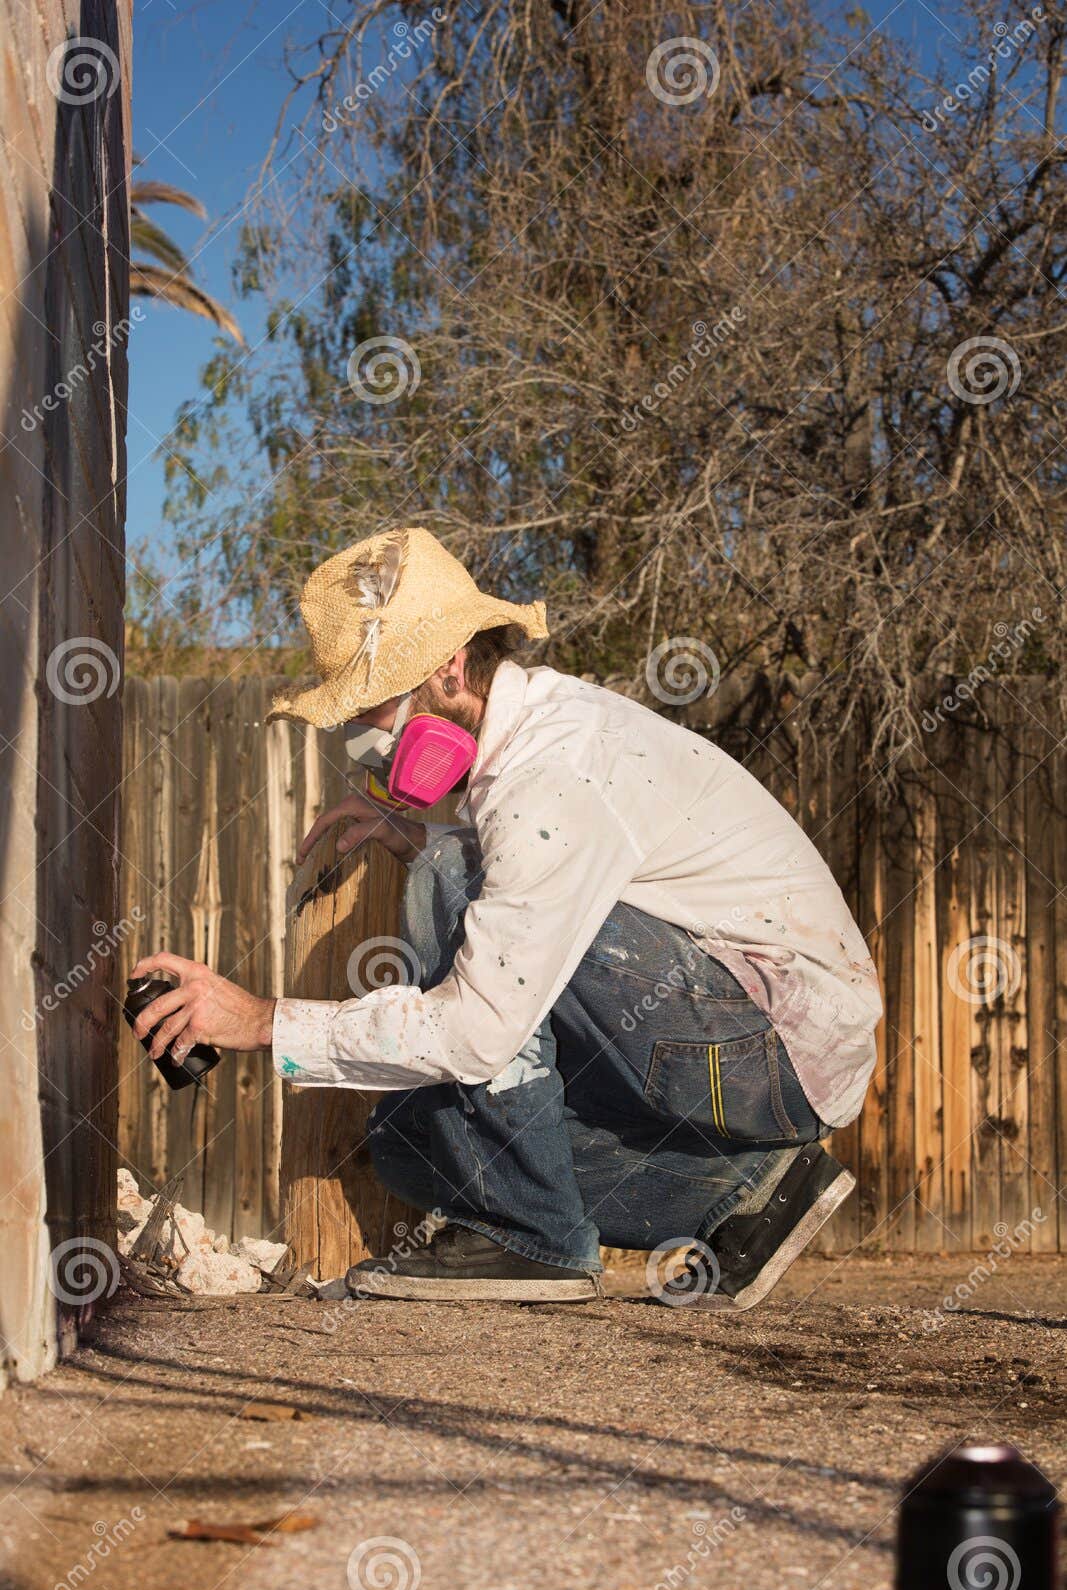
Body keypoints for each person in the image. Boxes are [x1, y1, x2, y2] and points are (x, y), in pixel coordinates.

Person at [131, 527, 882, 1307]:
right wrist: (408, 828)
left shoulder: (550, 772)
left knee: (451, 878)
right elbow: (542, 885)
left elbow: (477, 1027)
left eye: (375, 705)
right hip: (746, 1040)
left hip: (773, 1043)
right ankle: (748, 1196)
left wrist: (261, 1022)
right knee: (410, 1144)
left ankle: (537, 1244)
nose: (363, 740)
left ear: (450, 666)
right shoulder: (528, 754)